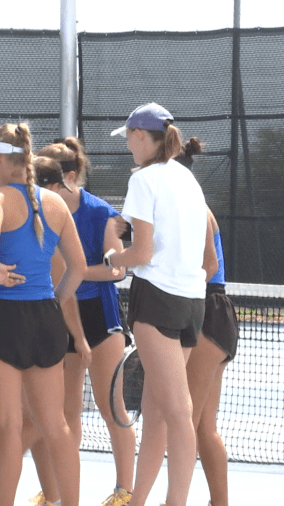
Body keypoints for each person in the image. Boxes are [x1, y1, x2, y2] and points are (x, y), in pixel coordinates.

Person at [0, 146, 133, 506]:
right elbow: (72, 275)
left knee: (91, 412)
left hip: (56, 319)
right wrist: (58, 307)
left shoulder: (13, 203)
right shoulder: (53, 210)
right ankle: (52, 495)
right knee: (53, 421)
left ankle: (123, 491)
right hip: (51, 320)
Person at [106, 103, 215, 506]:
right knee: (155, 412)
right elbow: (204, 256)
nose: (128, 146)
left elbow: (142, 253)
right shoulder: (188, 179)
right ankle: (137, 501)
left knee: (178, 413)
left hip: (157, 301)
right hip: (192, 304)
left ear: (139, 135)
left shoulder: (143, 179)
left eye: (129, 138)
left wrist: (112, 257)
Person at [179, 140, 236, 506]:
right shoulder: (192, 206)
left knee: (184, 424)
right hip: (217, 315)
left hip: (206, 313)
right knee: (202, 427)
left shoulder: (194, 208)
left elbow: (208, 266)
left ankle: (176, 500)